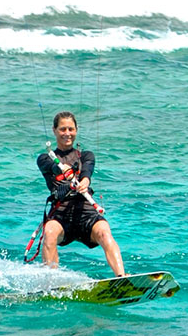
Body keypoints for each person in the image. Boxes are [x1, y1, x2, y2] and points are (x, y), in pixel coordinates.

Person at [35, 110, 125, 275]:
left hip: (86, 212)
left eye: (71, 129)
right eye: (62, 129)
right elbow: (52, 168)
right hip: (61, 214)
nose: (67, 133)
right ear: (54, 130)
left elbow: (87, 171)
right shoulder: (44, 158)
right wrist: (62, 169)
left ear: (76, 130)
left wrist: (85, 181)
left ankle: (122, 276)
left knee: (105, 231)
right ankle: (50, 281)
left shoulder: (86, 155)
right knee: (49, 232)